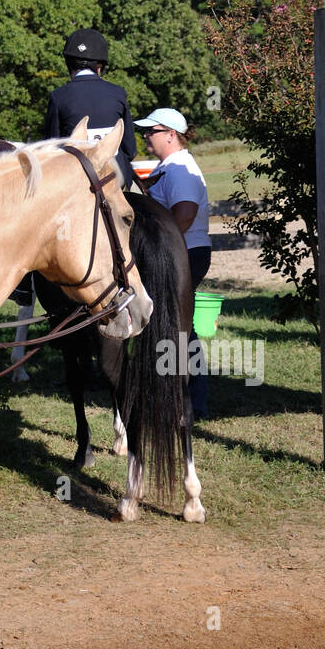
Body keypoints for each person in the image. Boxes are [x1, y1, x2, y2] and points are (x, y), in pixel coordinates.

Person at [134, 107, 211, 418]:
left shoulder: (179, 169)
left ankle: (191, 400)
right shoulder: (169, 166)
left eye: (151, 131)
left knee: (179, 328)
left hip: (184, 254)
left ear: (170, 135)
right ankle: (181, 397)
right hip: (182, 253)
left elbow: (185, 214)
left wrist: (159, 252)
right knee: (174, 327)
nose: (145, 136)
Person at [44, 29, 137, 188]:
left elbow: (51, 150)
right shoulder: (118, 93)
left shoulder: (58, 97)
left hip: (76, 184)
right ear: (99, 67)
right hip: (116, 182)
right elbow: (130, 150)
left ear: (69, 65)